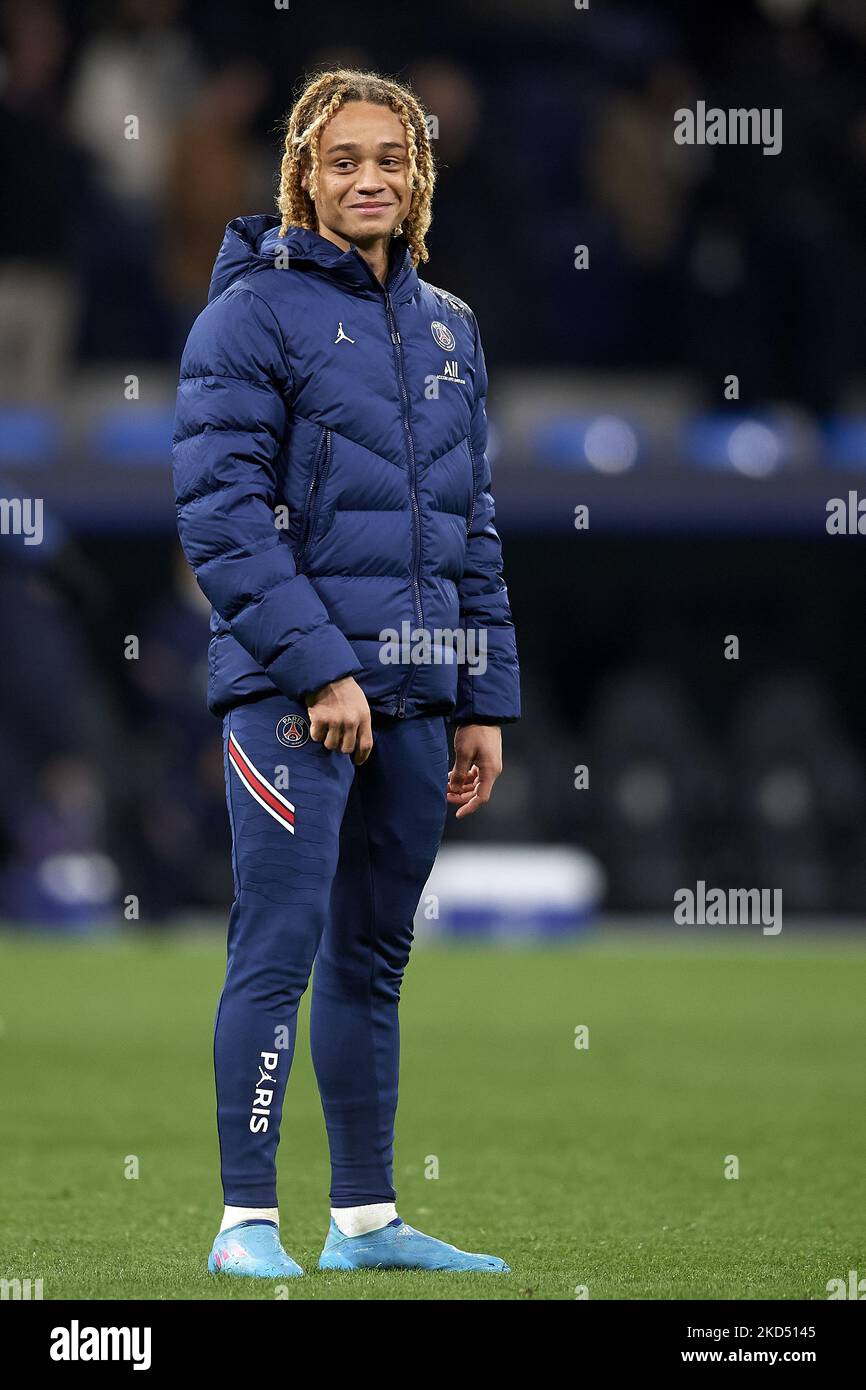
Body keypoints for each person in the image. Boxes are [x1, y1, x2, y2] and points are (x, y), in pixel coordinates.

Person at [172, 67, 520, 1278]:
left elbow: (470, 526)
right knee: (277, 952)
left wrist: (478, 697)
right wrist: (320, 670)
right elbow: (220, 516)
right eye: (341, 160)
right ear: (303, 179)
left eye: (391, 158)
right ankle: (244, 1225)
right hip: (291, 697)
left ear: (418, 177)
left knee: (372, 962)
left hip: (419, 696)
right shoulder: (249, 316)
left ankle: (365, 1219)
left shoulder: (449, 326)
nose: (368, 177)